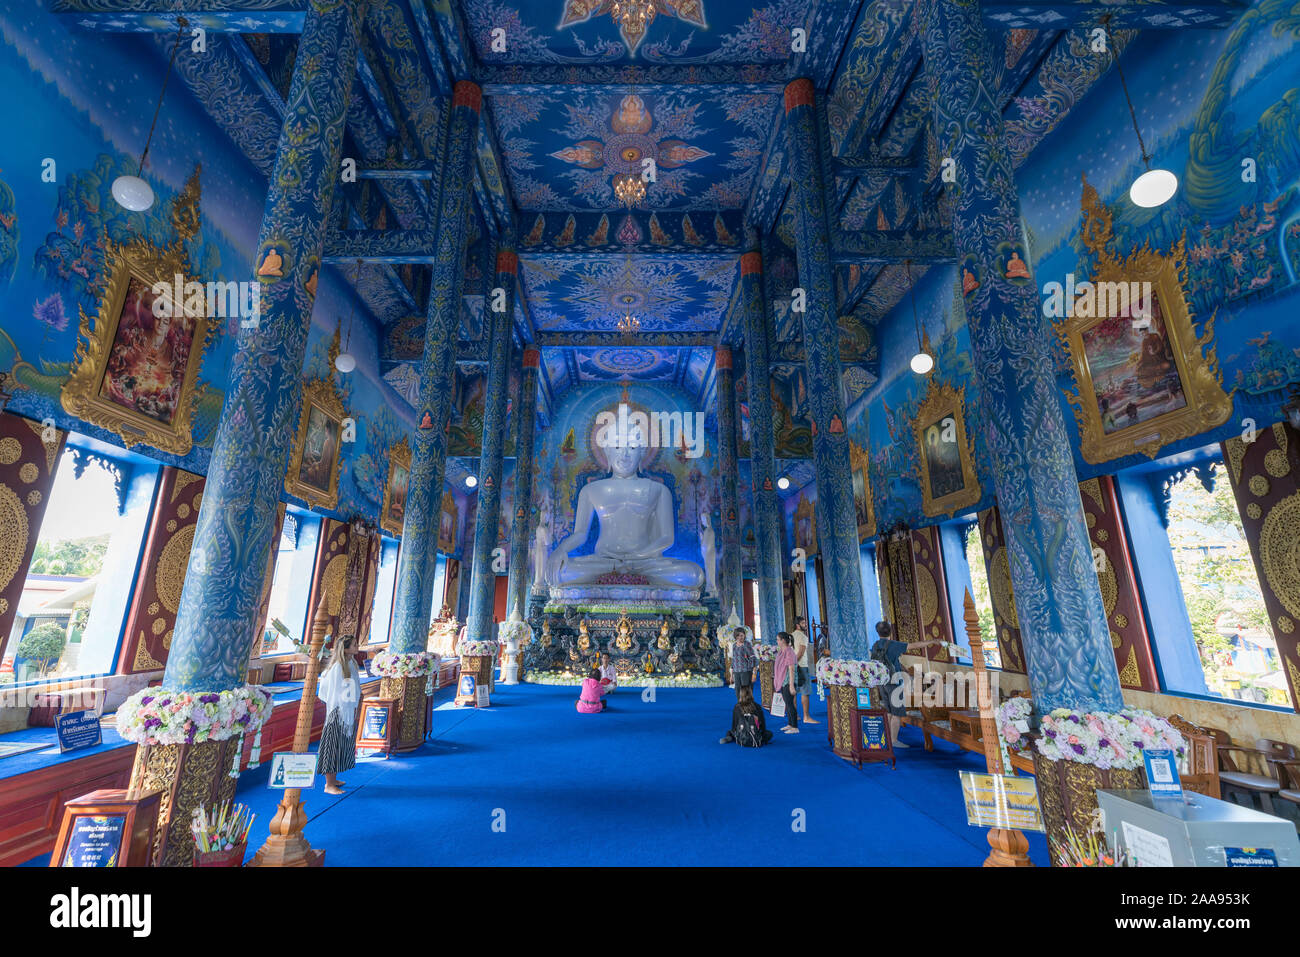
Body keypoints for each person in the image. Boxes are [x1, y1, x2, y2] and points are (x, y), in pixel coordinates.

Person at [869, 621, 943, 748]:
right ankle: (893, 740)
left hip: (881, 681)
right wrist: (932, 641)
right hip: (894, 681)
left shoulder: (875, 645)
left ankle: (886, 736)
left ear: (878, 632)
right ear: (890, 631)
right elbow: (915, 645)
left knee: (888, 711)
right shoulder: (893, 644)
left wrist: (903, 668)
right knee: (897, 712)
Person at [317, 633, 362, 795]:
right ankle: (329, 784)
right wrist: (340, 709)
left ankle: (334, 778)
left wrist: (353, 707)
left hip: (347, 710)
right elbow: (331, 691)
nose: (357, 647)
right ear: (346, 648)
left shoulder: (351, 663)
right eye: (355, 644)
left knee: (342, 744)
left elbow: (353, 688)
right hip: (338, 712)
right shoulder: (337, 667)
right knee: (333, 745)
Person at [792, 616, 818, 725]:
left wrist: (791, 665)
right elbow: (801, 653)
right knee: (805, 692)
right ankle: (806, 717)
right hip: (801, 666)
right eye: (803, 623)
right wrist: (795, 663)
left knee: (794, 692)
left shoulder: (791, 635)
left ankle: (795, 715)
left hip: (792, 667)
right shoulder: (803, 637)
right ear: (798, 625)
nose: (805, 625)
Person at [774, 632, 799, 733]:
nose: (777, 641)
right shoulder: (782, 651)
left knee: (790, 704)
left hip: (789, 680)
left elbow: (791, 668)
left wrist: (792, 685)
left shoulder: (789, 651)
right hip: (783, 680)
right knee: (787, 703)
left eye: (778, 639)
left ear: (783, 640)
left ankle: (795, 727)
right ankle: (790, 724)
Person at [730, 627, 757, 700]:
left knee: (746, 690)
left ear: (744, 635)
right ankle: (740, 705)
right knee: (737, 690)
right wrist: (731, 675)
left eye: (741, 635)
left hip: (746, 671)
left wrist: (754, 673)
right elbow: (734, 659)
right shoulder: (734, 645)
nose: (739, 637)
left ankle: (748, 706)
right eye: (738, 636)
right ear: (735, 636)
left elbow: (753, 658)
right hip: (736, 671)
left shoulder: (747, 644)